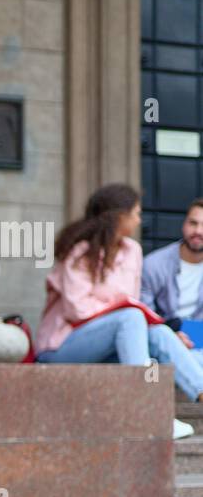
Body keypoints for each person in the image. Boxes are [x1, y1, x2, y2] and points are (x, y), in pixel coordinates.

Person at [35, 183, 203, 438]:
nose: (139, 220)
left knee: (158, 334)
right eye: (135, 213)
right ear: (118, 216)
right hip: (63, 346)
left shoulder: (132, 252)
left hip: (110, 342)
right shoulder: (80, 251)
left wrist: (149, 326)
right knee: (132, 317)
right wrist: (121, 310)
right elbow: (77, 309)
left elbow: (132, 306)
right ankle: (149, 415)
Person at [141, 197, 203, 374]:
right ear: (184, 224)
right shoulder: (154, 264)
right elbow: (144, 317)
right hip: (164, 342)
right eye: (193, 223)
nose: (198, 231)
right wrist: (173, 338)